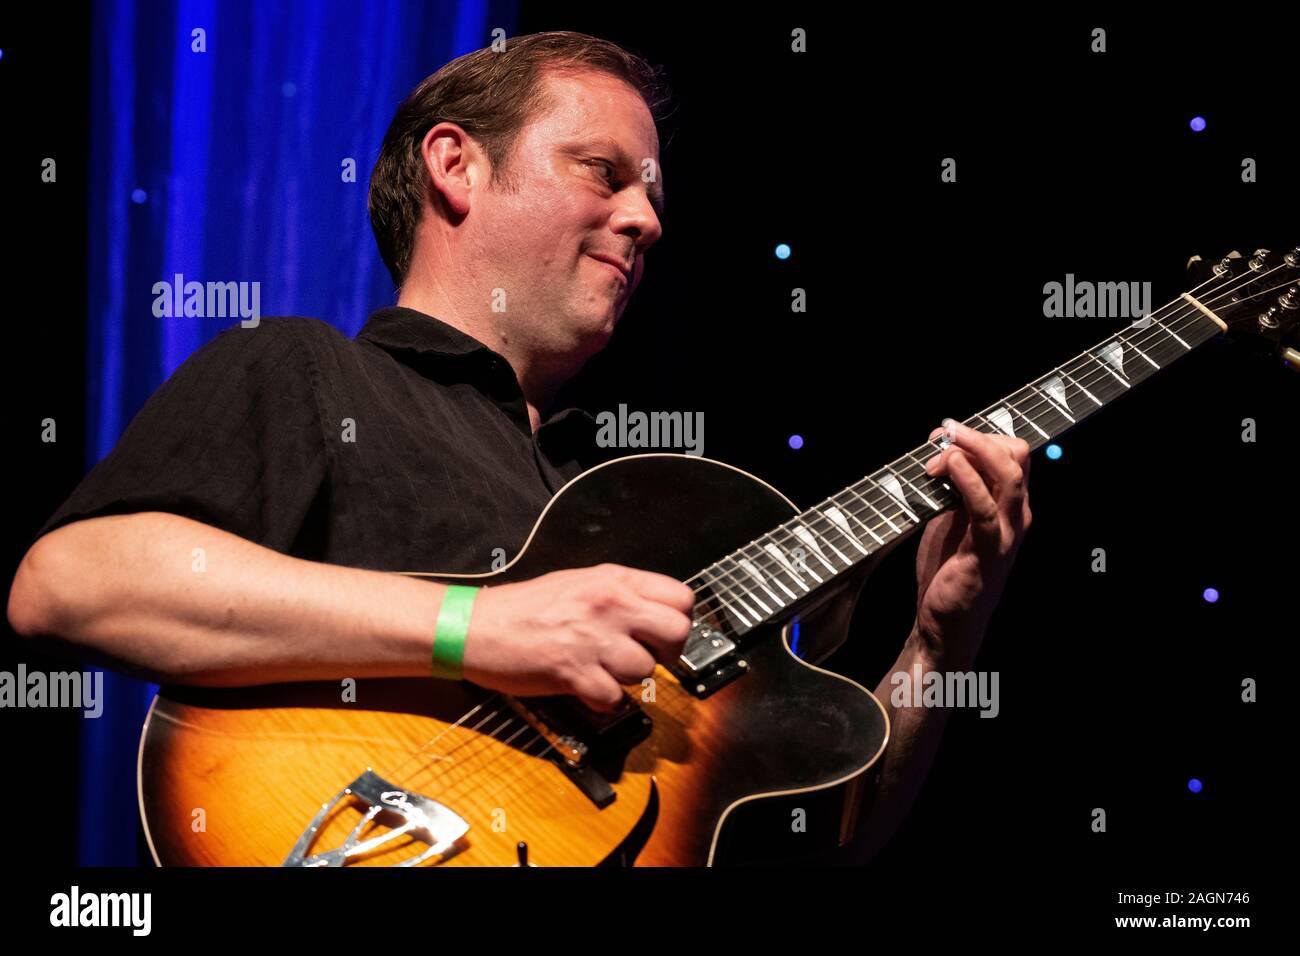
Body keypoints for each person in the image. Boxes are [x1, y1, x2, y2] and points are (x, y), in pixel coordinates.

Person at [6, 31, 1031, 864]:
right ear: (455, 164)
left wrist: (939, 642)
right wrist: (482, 627)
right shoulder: (307, 371)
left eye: (655, 196)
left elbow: (833, 837)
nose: (645, 219)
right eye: (603, 172)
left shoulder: (626, 497)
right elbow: (70, 582)